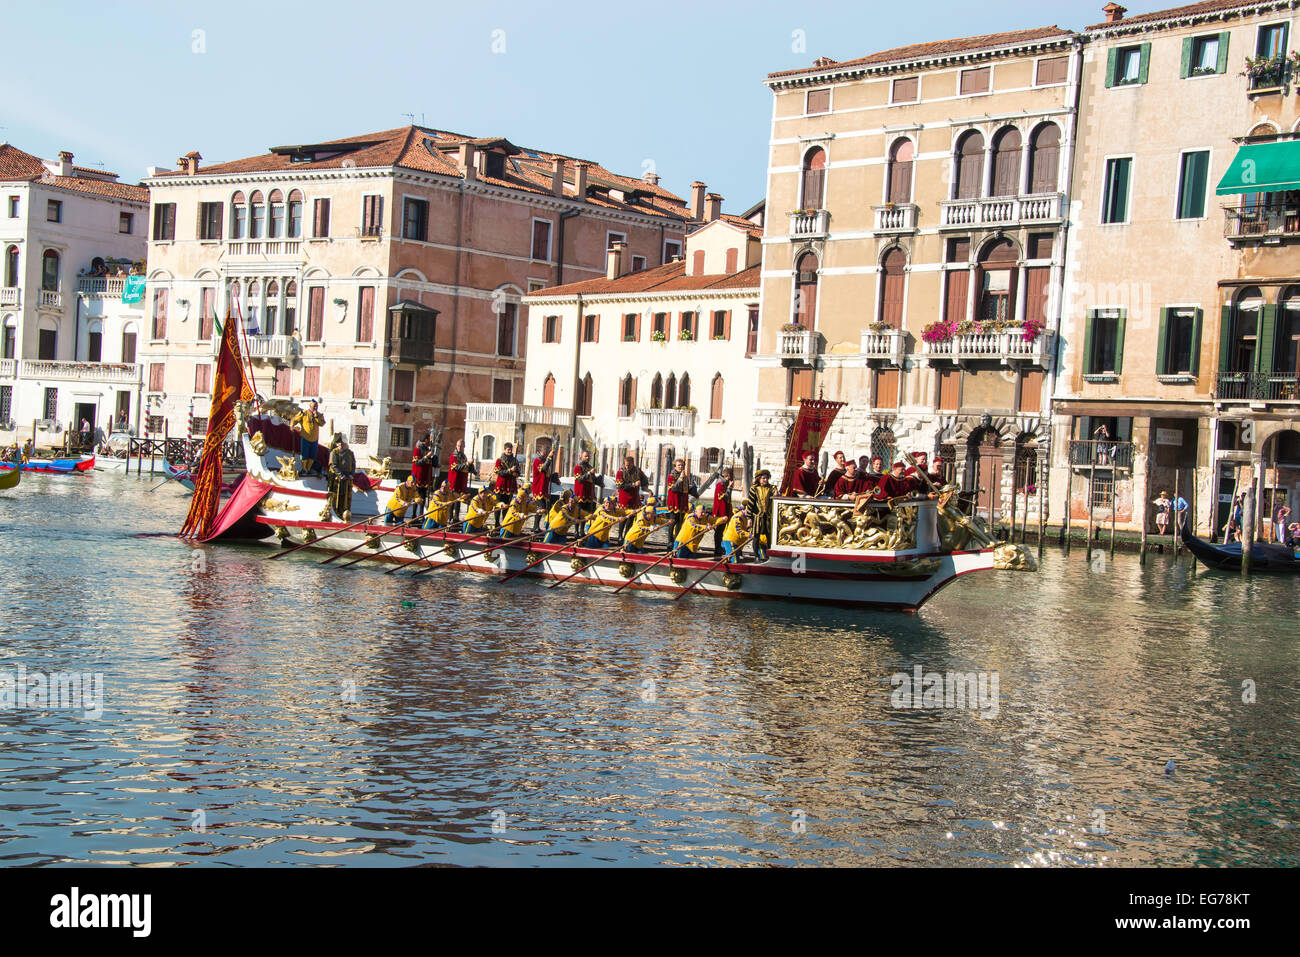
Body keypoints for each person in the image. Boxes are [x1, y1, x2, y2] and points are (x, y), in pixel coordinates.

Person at [290, 400, 326, 476]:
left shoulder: (319, 415)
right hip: (305, 437)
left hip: (315, 439)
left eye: (316, 406)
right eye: (314, 406)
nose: (315, 408)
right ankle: (304, 469)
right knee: (304, 454)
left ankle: (309, 469)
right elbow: (295, 419)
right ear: (310, 406)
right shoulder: (304, 413)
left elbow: (322, 423)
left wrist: (316, 416)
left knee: (313, 455)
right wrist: (292, 426)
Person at [745, 469, 775, 560]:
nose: (765, 480)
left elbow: (776, 494)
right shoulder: (754, 489)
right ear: (759, 479)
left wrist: (777, 493)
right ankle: (756, 555)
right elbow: (750, 504)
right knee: (756, 536)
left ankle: (769, 554)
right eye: (763, 478)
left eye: (766, 478)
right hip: (757, 517)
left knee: (769, 536)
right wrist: (749, 518)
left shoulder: (772, 488)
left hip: (768, 516)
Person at [664, 457, 695, 543]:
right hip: (675, 502)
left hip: (683, 502)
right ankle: (670, 541)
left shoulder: (685, 477)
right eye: (679, 465)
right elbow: (673, 489)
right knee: (673, 522)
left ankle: (677, 540)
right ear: (675, 466)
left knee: (680, 522)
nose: (681, 467)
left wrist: (693, 490)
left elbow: (686, 490)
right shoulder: (671, 476)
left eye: (682, 465)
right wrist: (680, 479)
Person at [491, 442, 521, 530]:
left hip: (510, 485)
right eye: (508, 449)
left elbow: (518, 471)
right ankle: (496, 523)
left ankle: (504, 522)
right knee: (499, 504)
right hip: (501, 485)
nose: (510, 451)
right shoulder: (499, 460)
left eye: (511, 450)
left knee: (507, 505)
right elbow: (498, 472)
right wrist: (509, 470)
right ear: (505, 450)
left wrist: (516, 473)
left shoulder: (515, 460)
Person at [327, 433, 356, 519]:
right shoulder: (334, 452)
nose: (342, 444)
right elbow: (333, 465)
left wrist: (351, 474)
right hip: (338, 480)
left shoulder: (350, 453)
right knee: (338, 497)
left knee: (347, 497)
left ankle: (346, 513)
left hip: (348, 478)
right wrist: (341, 475)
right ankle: (338, 513)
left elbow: (353, 464)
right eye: (340, 443)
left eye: (343, 443)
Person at [530, 442, 557, 529]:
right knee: (541, 507)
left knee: (544, 508)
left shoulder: (545, 461)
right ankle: (535, 526)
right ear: (544, 452)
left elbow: (547, 475)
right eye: (546, 453)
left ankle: (539, 526)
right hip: (538, 488)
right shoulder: (537, 461)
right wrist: (549, 458)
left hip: (544, 488)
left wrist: (555, 478)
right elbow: (543, 469)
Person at [411, 433, 437, 517]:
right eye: (429, 440)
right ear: (426, 440)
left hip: (425, 477)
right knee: (417, 496)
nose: (430, 442)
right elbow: (417, 463)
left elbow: (430, 463)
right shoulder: (417, 449)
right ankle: (414, 515)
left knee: (423, 497)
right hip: (418, 477)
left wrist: (434, 458)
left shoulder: (427, 449)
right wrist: (426, 456)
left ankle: (421, 515)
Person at [446, 438, 472, 521]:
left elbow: (466, 467)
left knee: (460, 500)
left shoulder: (464, 457)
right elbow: (456, 467)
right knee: (453, 500)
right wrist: (467, 463)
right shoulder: (453, 456)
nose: (460, 448)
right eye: (458, 446)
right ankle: (450, 518)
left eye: (461, 446)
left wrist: (471, 467)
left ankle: (456, 517)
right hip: (454, 481)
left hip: (461, 481)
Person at [573, 450, 599, 531]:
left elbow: (593, 480)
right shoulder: (578, 467)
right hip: (580, 493)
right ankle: (576, 531)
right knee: (579, 513)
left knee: (587, 513)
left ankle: (582, 531)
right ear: (581, 457)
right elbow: (580, 479)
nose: (587, 458)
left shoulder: (590, 467)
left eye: (588, 456)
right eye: (585, 456)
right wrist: (589, 473)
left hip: (589, 493)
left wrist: (598, 480)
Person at [711, 471, 734, 556]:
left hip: (724, 511)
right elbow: (723, 497)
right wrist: (729, 488)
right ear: (728, 475)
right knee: (719, 531)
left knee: (721, 531)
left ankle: (720, 547)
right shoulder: (720, 484)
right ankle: (717, 549)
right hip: (720, 511)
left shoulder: (724, 484)